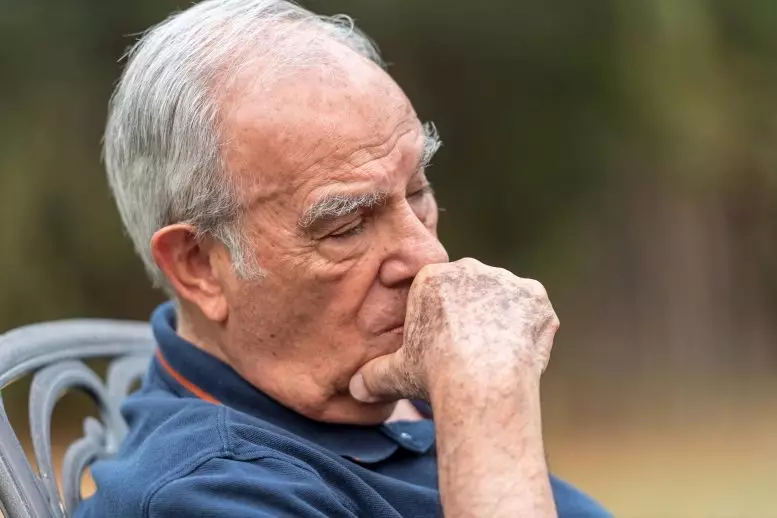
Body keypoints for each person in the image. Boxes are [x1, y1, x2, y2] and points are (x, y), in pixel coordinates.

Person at [76, 1, 611, 516]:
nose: (430, 255)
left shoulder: (376, 387)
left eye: (418, 190)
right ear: (199, 267)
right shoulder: (205, 492)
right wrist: (486, 397)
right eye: (348, 226)